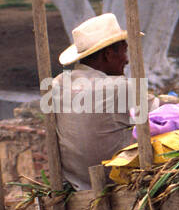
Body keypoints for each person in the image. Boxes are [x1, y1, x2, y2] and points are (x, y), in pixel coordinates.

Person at [47, 12, 149, 190]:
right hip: (116, 183)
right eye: (124, 51)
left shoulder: (57, 85)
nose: (126, 60)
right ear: (109, 54)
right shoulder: (118, 87)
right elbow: (163, 113)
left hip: (78, 184)